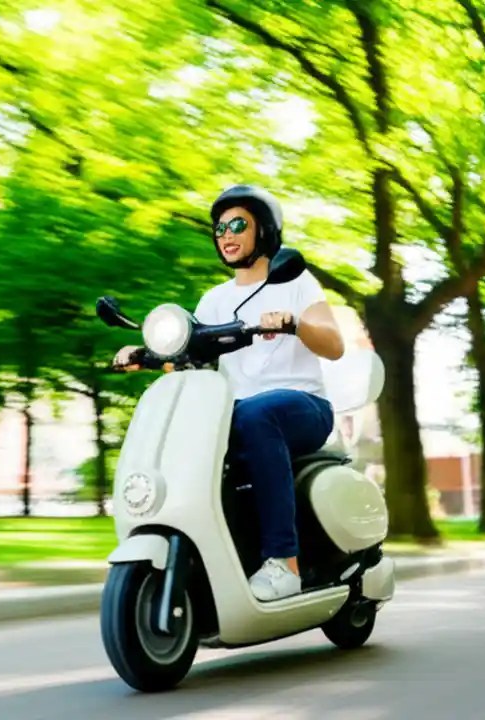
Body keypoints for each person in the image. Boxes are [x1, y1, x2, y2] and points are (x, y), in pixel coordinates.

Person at [113, 185, 344, 602]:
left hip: (303, 406)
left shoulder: (295, 282)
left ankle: (283, 564)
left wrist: (294, 324)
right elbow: (187, 353)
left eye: (238, 224)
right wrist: (145, 356)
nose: (226, 233)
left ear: (266, 230)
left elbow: (334, 344)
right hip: (236, 413)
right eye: (219, 227)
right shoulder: (215, 299)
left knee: (257, 413)